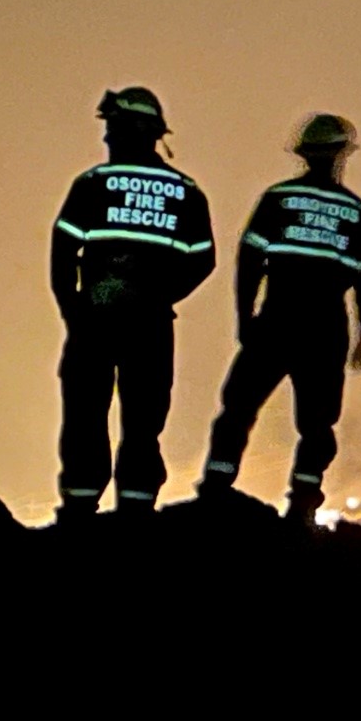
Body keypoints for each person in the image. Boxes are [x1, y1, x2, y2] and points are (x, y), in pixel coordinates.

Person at [200, 114, 361, 525]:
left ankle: (215, 488)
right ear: (340, 156)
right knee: (317, 424)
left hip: (277, 319)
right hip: (324, 328)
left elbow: (249, 262)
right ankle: (302, 504)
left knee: (238, 408)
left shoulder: (277, 200)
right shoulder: (358, 214)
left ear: (304, 155)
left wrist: (245, 317)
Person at [52, 87, 216, 523]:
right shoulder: (185, 192)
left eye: (112, 129)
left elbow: (62, 251)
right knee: (144, 424)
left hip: (94, 324)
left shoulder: (92, 185)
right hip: (150, 327)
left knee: (86, 418)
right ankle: (136, 518)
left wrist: (75, 309)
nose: (106, 139)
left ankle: (79, 516)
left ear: (129, 131)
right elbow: (203, 259)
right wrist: (159, 296)